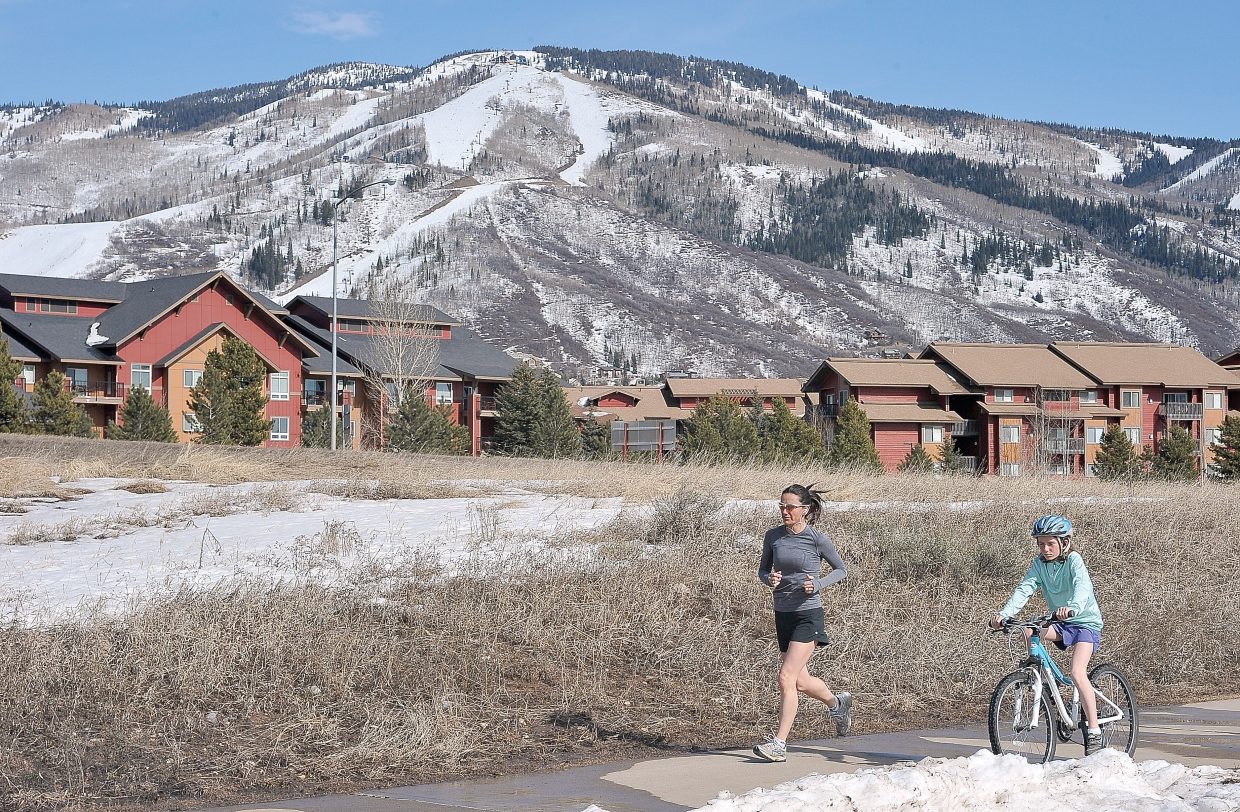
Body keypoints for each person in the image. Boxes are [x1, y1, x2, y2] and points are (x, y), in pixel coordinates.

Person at [989, 514, 1106, 756]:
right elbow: (1024, 589)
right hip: (1059, 623)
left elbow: (1083, 587)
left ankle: (1094, 731)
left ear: (1064, 542)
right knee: (1028, 630)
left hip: (1084, 622)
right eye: (1041, 543)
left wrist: (1072, 606)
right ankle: (1043, 683)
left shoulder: (1074, 560)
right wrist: (1003, 615)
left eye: (1050, 543)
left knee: (1076, 672)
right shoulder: (1039, 564)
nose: (1045, 548)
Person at [752, 484, 851, 763]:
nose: (785, 511)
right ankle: (837, 704)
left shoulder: (817, 539)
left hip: (809, 614)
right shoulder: (773, 537)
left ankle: (779, 745)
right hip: (783, 613)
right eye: (782, 506)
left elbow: (841, 570)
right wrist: (767, 579)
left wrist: (818, 583)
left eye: (790, 506)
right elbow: (763, 569)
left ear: (804, 510)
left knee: (785, 677)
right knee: (802, 681)